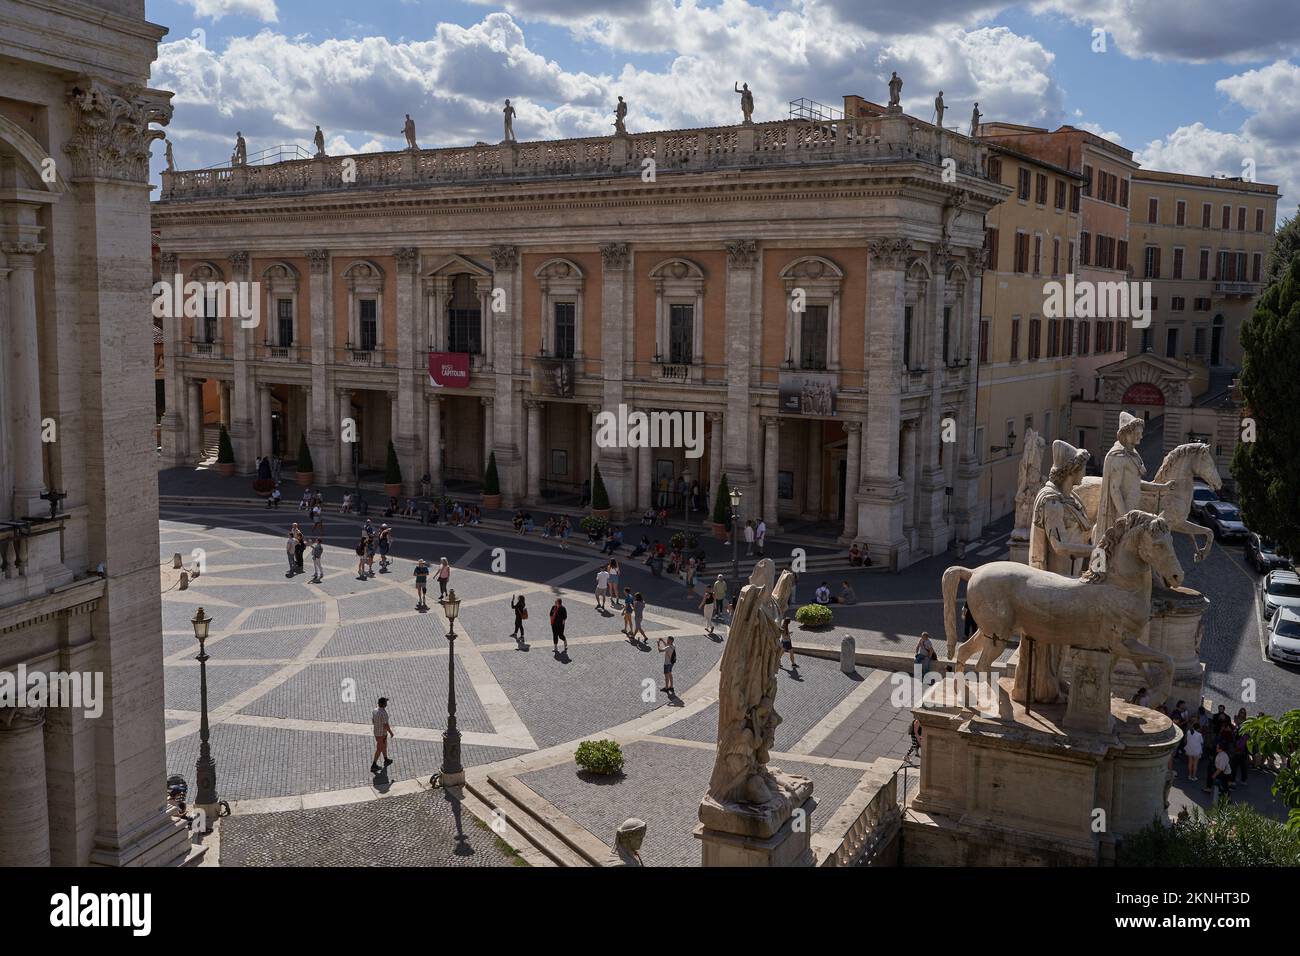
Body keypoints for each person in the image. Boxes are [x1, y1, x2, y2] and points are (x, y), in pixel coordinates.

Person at [370, 697, 394, 774]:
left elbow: (373, 721)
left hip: (377, 732)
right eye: (386, 702)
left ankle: (386, 759)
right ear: (383, 704)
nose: (387, 704)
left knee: (384, 745)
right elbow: (385, 725)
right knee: (379, 748)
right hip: (381, 734)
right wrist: (390, 732)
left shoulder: (375, 710)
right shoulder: (383, 713)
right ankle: (374, 765)